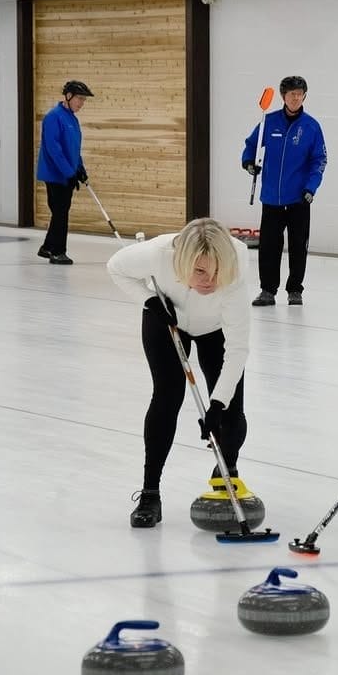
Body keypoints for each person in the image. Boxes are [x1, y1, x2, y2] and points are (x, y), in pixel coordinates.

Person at [107, 217, 250, 528]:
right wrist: (148, 301)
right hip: (167, 320)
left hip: (216, 329)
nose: (209, 280)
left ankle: (227, 477)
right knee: (168, 396)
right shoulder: (157, 254)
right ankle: (150, 493)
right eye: (199, 271)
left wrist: (217, 404)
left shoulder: (237, 263)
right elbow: (115, 267)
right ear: (181, 261)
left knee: (231, 407)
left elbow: (238, 348)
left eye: (216, 272)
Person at [241, 75, 327, 306]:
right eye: (292, 94)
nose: (296, 98)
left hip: (299, 198)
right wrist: (250, 162)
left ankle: (295, 290)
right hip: (271, 198)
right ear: (283, 97)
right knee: (269, 247)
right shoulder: (268, 122)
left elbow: (319, 160)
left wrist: (311, 187)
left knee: (298, 246)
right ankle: (267, 290)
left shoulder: (311, 127)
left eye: (300, 94)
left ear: (304, 96)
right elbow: (251, 145)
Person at [36, 80, 93, 264]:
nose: (81, 103)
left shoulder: (72, 119)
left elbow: (73, 149)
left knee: (60, 211)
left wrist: (80, 170)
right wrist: (69, 173)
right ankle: (57, 252)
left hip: (66, 172)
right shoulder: (54, 117)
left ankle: (47, 247)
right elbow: (54, 150)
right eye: (79, 99)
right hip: (55, 174)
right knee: (61, 211)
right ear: (68, 96)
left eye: (83, 100)